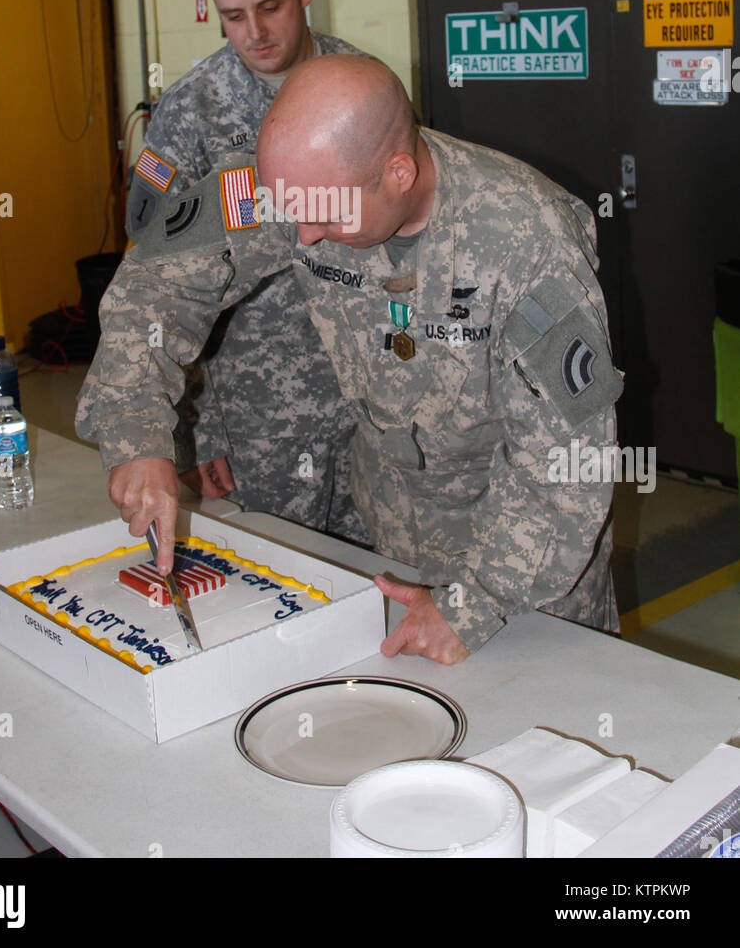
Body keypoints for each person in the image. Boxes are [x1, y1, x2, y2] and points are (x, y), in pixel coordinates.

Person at [76, 55, 623, 664]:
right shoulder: (304, 185)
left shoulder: (528, 241)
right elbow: (156, 283)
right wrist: (137, 435)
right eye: (292, 210)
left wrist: (472, 604)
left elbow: (569, 462)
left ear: (398, 173)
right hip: (389, 536)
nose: (302, 234)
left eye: (325, 217)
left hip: (525, 569)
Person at [103, 0, 368, 542]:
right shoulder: (187, 114)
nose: (255, 32)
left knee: (378, 577)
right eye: (233, 16)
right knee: (286, 574)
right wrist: (200, 429)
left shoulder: (362, 84)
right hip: (259, 409)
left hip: (365, 393)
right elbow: (159, 276)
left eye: (270, 6)